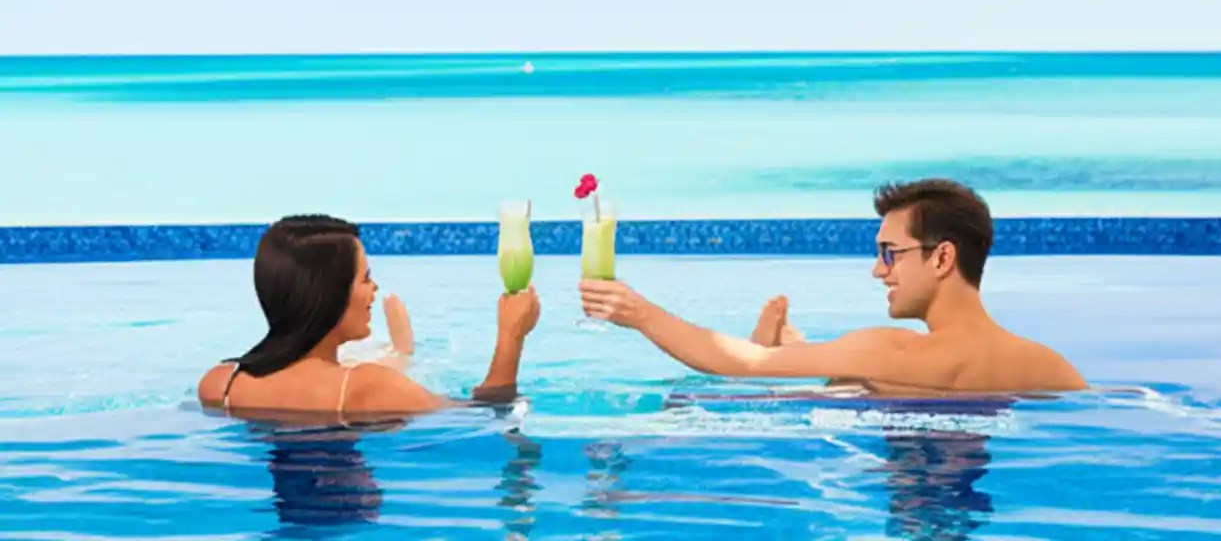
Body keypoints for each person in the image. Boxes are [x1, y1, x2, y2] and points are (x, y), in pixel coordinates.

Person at [578, 179, 1086, 394]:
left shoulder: (894, 351)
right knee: (852, 382)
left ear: (942, 257)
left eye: (890, 253)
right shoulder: (1052, 367)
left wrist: (639, 313)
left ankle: (795, 353)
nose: (879, 271)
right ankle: (800, 351)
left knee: (834, 386)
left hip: (912, 478)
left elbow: (741, 364)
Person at [198, 214, 540, 421]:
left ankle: (402, 349)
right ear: (331, 294)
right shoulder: (369, 388)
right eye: (365, 278)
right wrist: (511, 336)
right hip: (349, 512)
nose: (374, 288)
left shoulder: (220, 384)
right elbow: (485, 414)